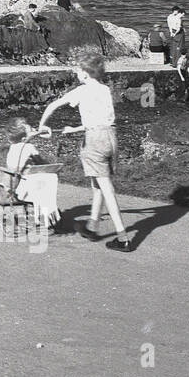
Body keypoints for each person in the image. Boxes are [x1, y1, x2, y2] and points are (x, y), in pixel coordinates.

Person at [37, 53, 131, 251]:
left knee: (106, 187)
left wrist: (42, 126)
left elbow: (53, 105)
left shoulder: (81, 91)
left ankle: (123, 238)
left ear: (86, 74)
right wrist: (75, 129)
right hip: (111, 138)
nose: (76, 73)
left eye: (78, 70)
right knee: (98, 184)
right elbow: (100, 121)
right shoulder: (106, 90)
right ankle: (91, 226)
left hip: (94, 141)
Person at [3, 119, 61, 229]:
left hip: (12, 182)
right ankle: (45, 214)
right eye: (31, 130)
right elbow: (41, 163)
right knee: (49, 178)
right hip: (23, 186)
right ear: (24, 138)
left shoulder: (13, 147)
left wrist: (37, 132)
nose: (34, 130)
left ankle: (40, 214)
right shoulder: (29, 147)